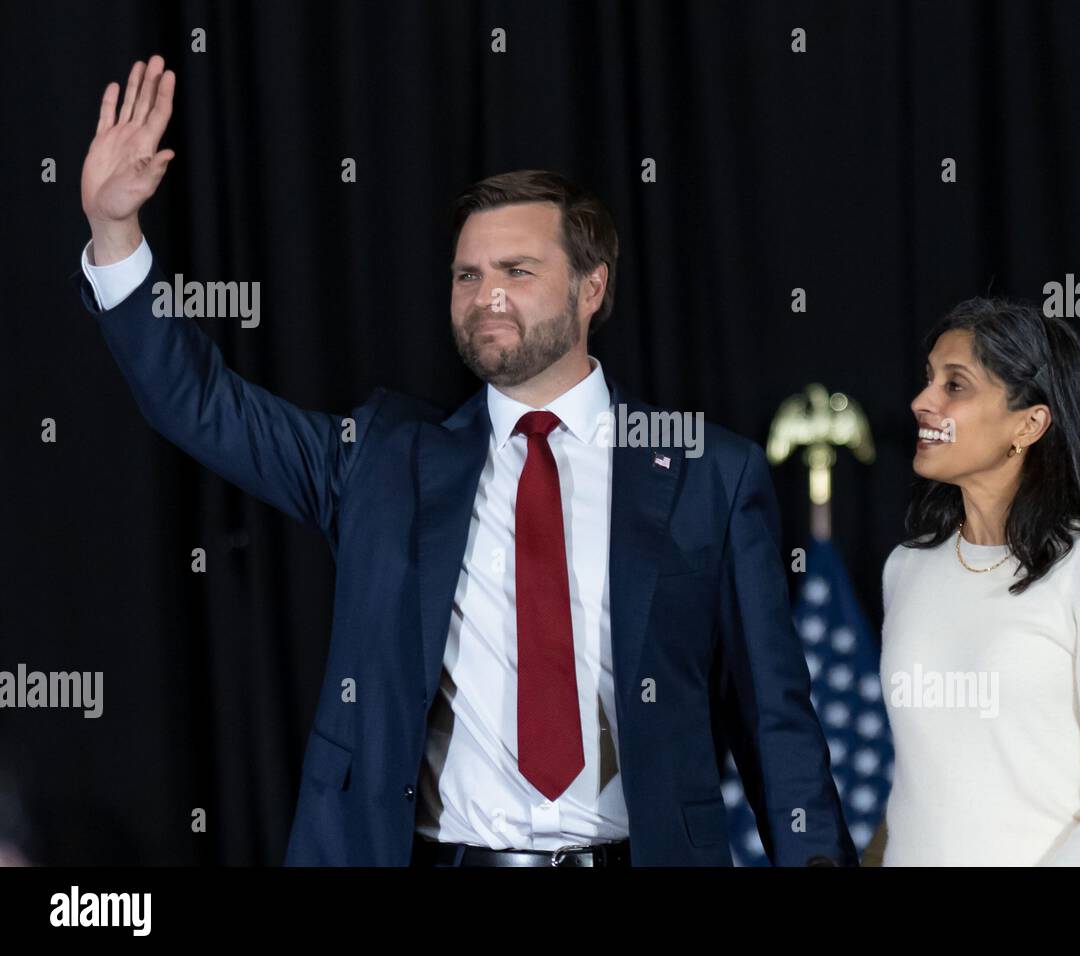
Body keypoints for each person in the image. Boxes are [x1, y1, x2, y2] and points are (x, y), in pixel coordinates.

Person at [76, 55, 858, 867]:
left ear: (592, 288)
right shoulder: (380, 459)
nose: (487, 295)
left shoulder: (709, 474)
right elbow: (198, 404)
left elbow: (777, 726)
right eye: (467, 275)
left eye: (518, 272)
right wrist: (114, 231)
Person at [877, 297, 1080, 865]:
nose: (922, 401)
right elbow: (924, 789)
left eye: (954, 386)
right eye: (928, 380)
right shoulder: (906, 568)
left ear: (1030, 423)